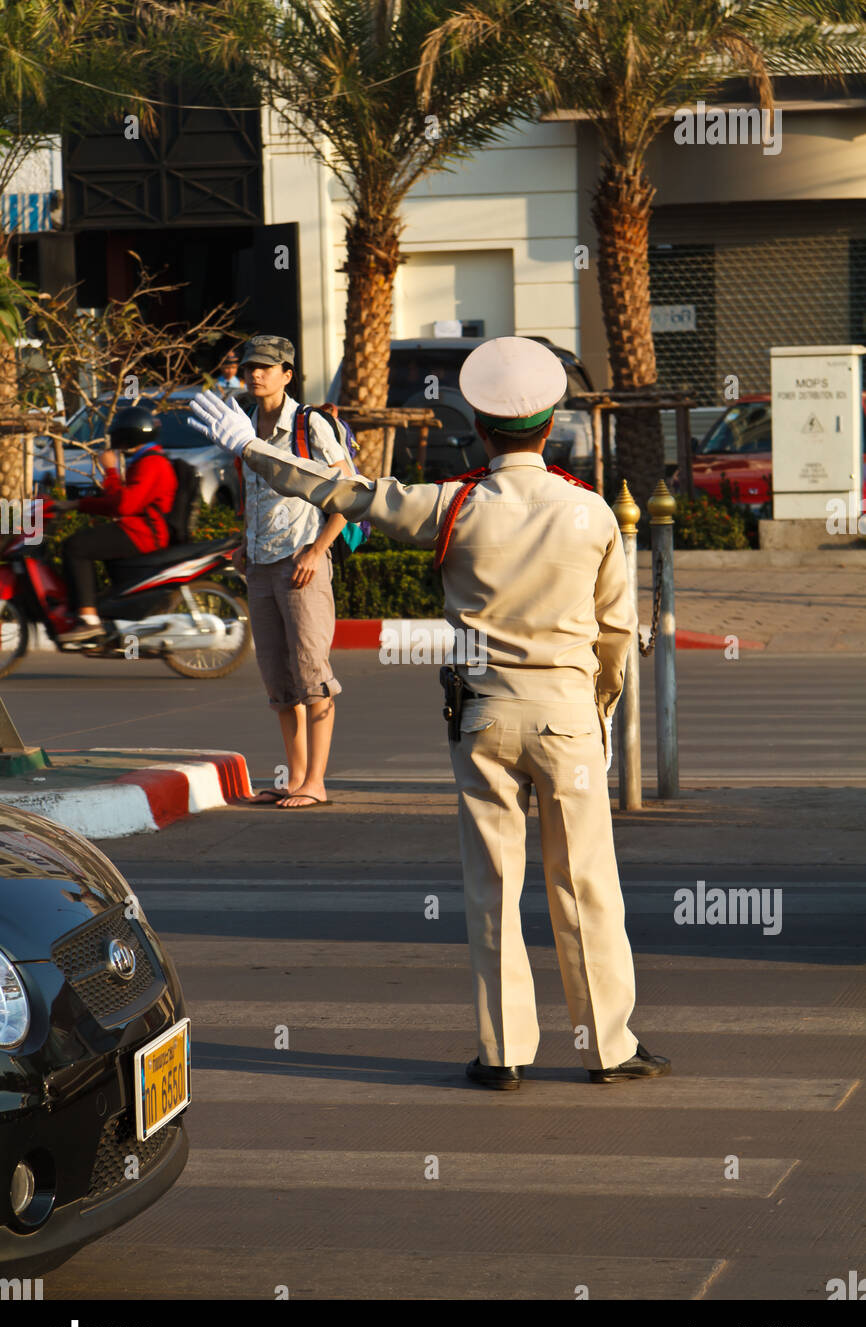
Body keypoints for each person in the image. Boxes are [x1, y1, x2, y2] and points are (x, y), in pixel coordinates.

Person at [189, 337, 672, 1087]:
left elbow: (345, 493)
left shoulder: (454, 504)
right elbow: (614, 634)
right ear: (551, 427)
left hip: (484, 717)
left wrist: (251, 448)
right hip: (569, 720)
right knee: (587, 888)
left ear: (479, 428)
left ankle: (504, 1052)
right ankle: (607, 1049)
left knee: (492, 888)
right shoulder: (591, 512)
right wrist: (599, 711)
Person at [228, 333, 354, 809]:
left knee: (311, 671)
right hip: (260, 565)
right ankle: (295, 777)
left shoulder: (309, 424)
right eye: (249, 367)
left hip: (302, 563)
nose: (255, 374)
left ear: (287, 374)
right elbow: (254, 495)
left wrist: (317, 551)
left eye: (266, 367)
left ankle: (316, 782)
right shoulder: (243, 424)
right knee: (278, 679)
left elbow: (349, 493)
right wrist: (245, 544)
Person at [57, 405, 178, 644]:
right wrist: (75, 505)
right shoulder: (146, 460)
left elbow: (123, 506)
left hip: (143, 534)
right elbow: (117, 503)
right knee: (86, 544)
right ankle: (94, 609)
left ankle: (89, 619)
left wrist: (110, 470)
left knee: (76, 546)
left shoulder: (152, 463)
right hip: (137, 530)